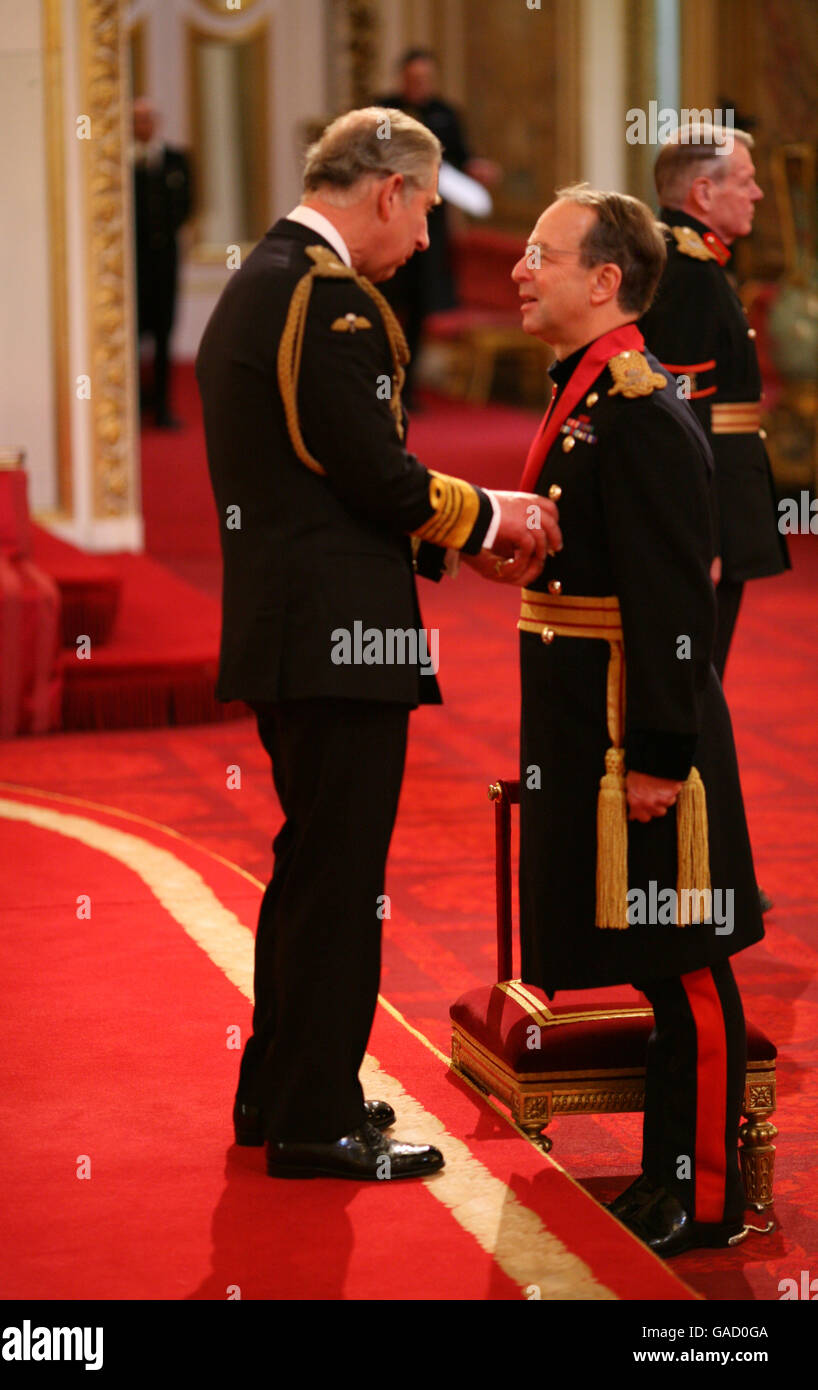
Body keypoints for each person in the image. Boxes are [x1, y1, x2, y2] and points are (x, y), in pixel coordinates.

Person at [195, 107, 561, 1182]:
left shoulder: (267, 277)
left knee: (311, 869)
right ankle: (316, 1115)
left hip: (297, 626)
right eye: (426, 211)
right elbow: (370, 473)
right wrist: (495, 519)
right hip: (334, 639)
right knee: (341, 879)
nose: (426, 236)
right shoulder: (327, 297)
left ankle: (276, 1088)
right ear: (387, 189)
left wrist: (454, 534)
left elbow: (331, 483)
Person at [465, 185, 769, 1256]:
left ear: (602, 281)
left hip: (633, 738)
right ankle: (663, 1177)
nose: (517, 269)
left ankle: (703, 1195)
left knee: (682, 961)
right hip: (587, 725)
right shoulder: (591, 396)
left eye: (538, 254)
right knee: (652, 956)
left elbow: (674, 605)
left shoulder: (636, 406)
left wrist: (657, 759)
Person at [639, 125, 790, 680]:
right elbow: (678, 416)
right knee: (693, 681)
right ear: (703, 193)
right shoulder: (686, 273)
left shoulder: (692, 263)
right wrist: (699, 535)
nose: (757, 194)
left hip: (720, 496)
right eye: (746, 182)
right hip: (710, 508)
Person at [377, 49, 499, 404]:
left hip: (428, 229)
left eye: (424, 79)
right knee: (383, 303)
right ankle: (380, 383)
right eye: (413, 79)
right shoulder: (383, 111)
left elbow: (460, 160)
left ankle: (408, 388)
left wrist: (476, 169)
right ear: (402, 78)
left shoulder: (446, 115)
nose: (419, 85)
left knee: (419, 307)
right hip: (388, 222)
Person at [132, 97, 193, 429]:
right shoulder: (121, 164)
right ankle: (135, 403)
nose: (142, 125)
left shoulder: (175, 160)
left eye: (147, 119)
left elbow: (186, 206)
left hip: (164, 262)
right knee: (131, 336)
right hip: (130, 267)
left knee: (164, 333)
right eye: (136, 120)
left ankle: (163, 406)